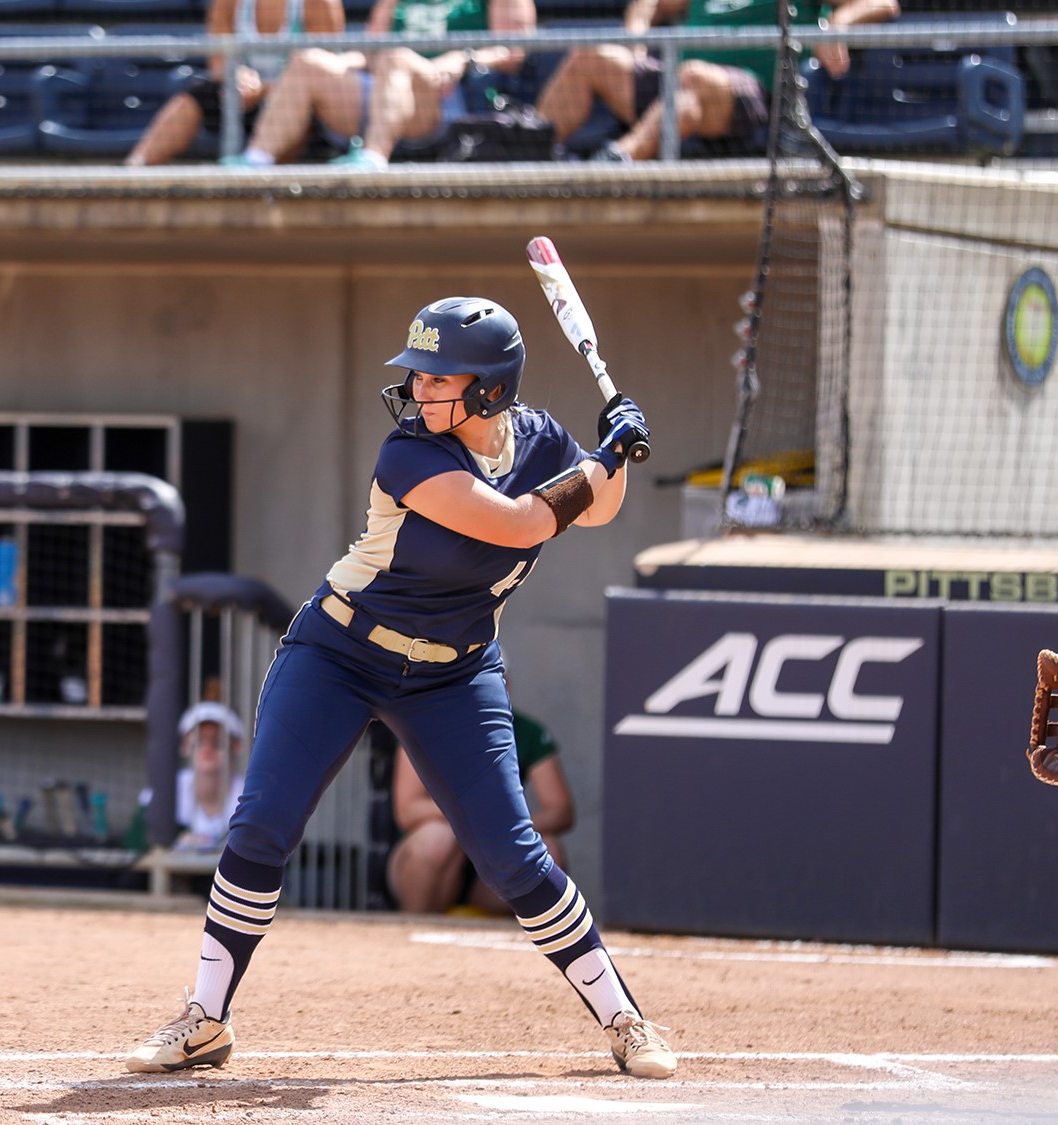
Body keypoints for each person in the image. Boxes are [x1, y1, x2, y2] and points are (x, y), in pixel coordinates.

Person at [124, 296, 673, 1079]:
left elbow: (599, 507)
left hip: (456, 670)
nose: (417, 389)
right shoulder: (409, 454)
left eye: (436, 377)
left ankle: (625, 1018)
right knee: (261, 825)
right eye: (415, 374)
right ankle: (204, 1018)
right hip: (340, 650)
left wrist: (616, 444)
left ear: (488, 389)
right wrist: (603, 457)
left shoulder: (544, 438)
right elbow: (522, 522)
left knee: (515, 858)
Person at [534, 0, 899, 162]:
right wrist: (637, 37)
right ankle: (523, 154)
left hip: (751, 93)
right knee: (588, 57)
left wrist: (836, 26)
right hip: (675, 80)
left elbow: (881, 2)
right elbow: (651, 4)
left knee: (693, 77)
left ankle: (616, 162)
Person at [223, 0, 536, 169]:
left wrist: (462, 57)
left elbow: (513, 50)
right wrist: (343, 62)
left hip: (446, 96)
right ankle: (255, 161)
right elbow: (372, 48)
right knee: (308, 60)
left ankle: (372, 159)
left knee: (396, 57)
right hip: (383, 88)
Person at [387, 697, 574, 914]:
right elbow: (407, 810)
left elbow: (561, 812)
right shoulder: (424, 724)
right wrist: (474, 815)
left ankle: (527, 939)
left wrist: (507, 826)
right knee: (438, 838)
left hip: (493, 860)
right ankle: (412, 926)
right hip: (432, 858)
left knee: (546, 849)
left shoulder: (525, 730)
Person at [124, 0, 347, 167]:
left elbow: (324, 72)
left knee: (293, 112)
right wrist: (236, 77)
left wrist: (265, 89)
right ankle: (133, 170)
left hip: (299, 103)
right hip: (242, 97)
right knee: (194, 97)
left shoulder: (318, 3)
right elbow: (218, 61)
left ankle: (267, 190)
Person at [129, 701, 251, 850]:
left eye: (218, 742)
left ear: (237, 746)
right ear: (185, 745)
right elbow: (133, 843)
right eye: (199, 742)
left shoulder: (249, 797)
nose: (207, 749)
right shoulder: (167, 789)